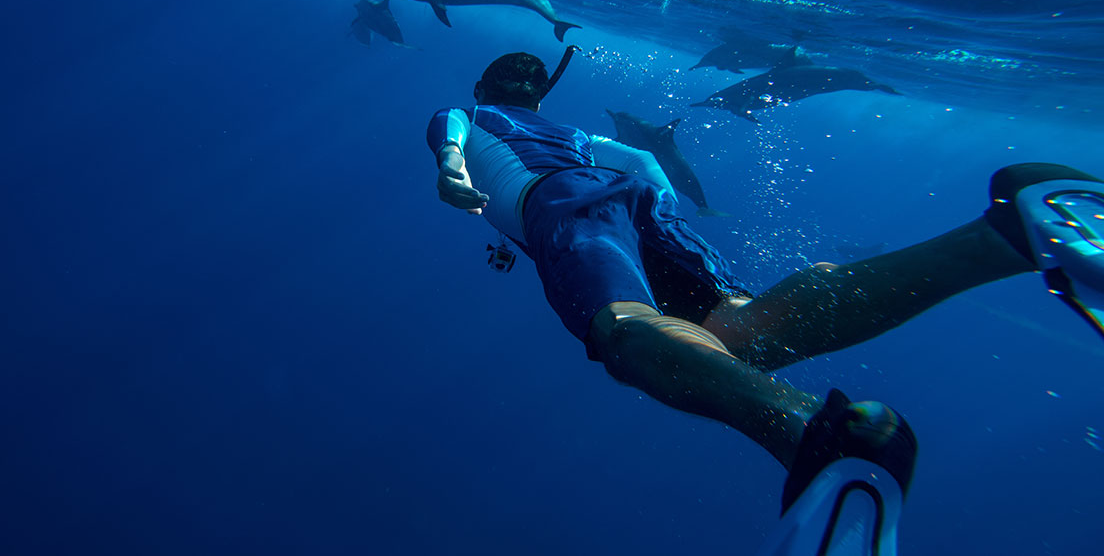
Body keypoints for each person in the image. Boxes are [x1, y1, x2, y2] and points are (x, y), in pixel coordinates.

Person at [425, 49, 1104, 544]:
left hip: (560, 204)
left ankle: (814, 435)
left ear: (483, 86)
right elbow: (643, 163)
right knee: (739, 334)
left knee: (625, 333)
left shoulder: (470, 109)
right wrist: (657, 219)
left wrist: (452, 171)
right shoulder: (572, 133)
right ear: (541, 94)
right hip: (631, 200)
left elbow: (450, 138)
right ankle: (1012, 232)